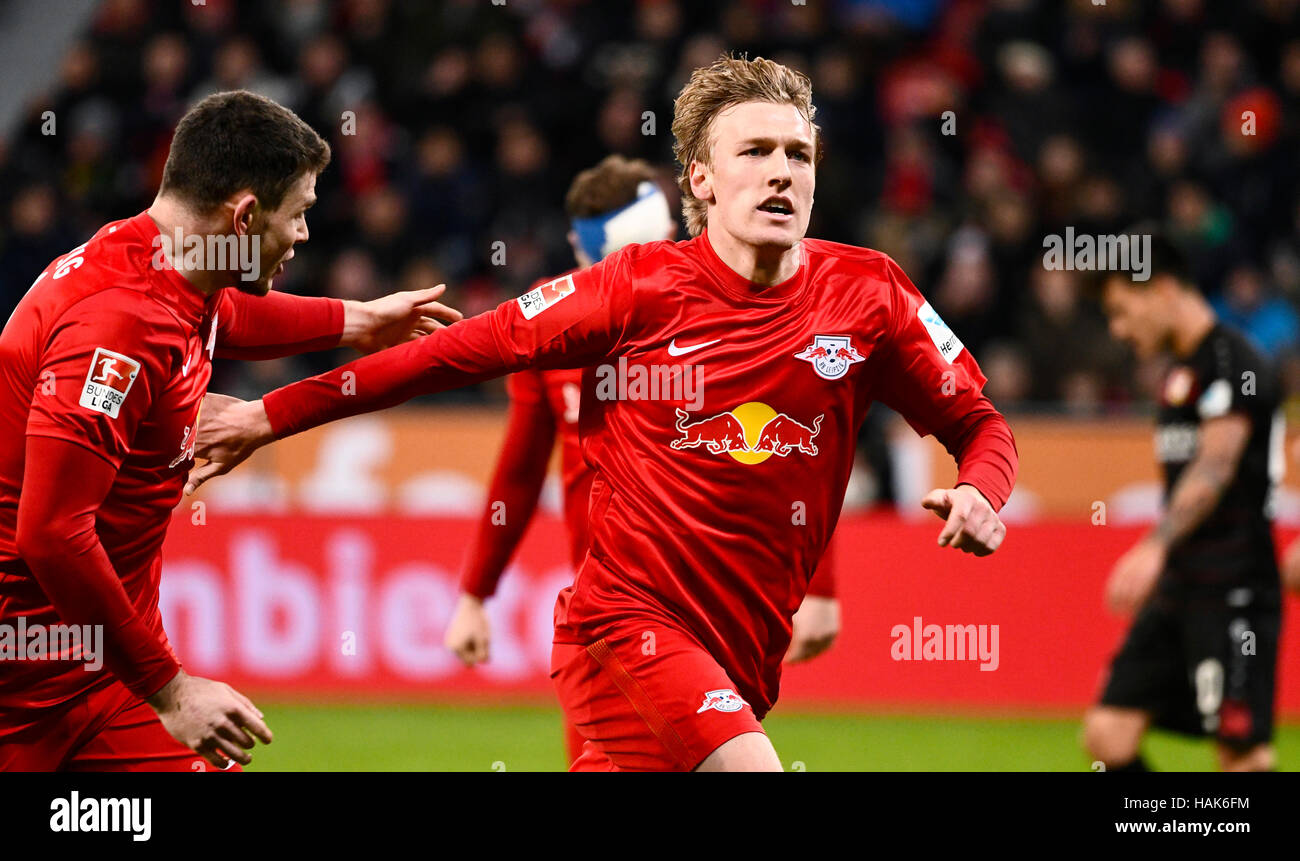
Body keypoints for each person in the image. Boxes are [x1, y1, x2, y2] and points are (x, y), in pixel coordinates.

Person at [188, 57, 1018, 772]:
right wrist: (270, 414)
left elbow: (979, 423)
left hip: (742, 653)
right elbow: (456, 353)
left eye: (799, 154)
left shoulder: (871, 294)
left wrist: (984, 488)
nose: (781, 172)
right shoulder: (638, 288)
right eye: (756, 151)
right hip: (627, 624)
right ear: (701, 177)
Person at [0, 90, 461, 772]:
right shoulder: (115, 327)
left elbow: (228, 320)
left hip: (102, 679)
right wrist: (173, 690)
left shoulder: (168, 265)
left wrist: (359, 322)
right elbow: (51, 532)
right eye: (298, 214)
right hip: (24, 692)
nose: (304, 235)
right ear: (244, 215)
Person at [442, 154, 841, 766]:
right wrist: (475, 592)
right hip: (612, 611)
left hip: (713, 602)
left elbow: (798, 459)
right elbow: (518, 474)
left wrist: (823, 587)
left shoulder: (723, 320)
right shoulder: (551, 327)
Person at [1086, 234, 1284, 772]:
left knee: (1241, 756)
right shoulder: (1180, 375)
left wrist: (1153, 546)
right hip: (1181, 587)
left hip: (1234, 585)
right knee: (1109, 733)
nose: (1118, 331)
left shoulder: (1232, 360)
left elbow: (1216, 467)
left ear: (1161, 288)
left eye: (1122, 312)